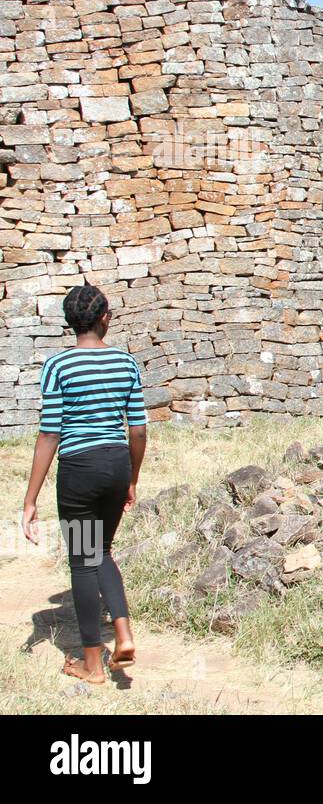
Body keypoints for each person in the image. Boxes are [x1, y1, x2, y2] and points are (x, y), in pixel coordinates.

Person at [21, 285, 148, 685]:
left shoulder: (59, 366)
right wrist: (131, 477)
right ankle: (122, 631)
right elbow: (139, 429)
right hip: (114, 465)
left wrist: (30, 500)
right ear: (105, 317)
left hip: (78, 470)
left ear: (69, 322)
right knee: (102, 551)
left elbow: (49, 434)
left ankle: (92, 664)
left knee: (82, 558)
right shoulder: (125, 363)